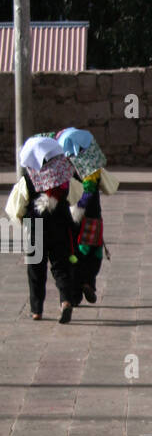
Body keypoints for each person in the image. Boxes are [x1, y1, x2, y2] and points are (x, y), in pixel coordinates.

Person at [56, 127, 118, 308]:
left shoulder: (64, 167)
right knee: (95, 252)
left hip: (74, 218)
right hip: (94, 217)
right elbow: (92, 191)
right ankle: (89, 282)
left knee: (75, 254)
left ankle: (75, 293)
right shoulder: (93, 167)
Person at [18, 135, 76, 323]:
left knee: (36, 269)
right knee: (61, 266)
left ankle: (37, 310)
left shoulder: (28, 178)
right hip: (59, 226)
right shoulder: (64, 176)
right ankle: (66, 301)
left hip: (35, 227)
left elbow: (17, 206)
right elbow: (75, 199)